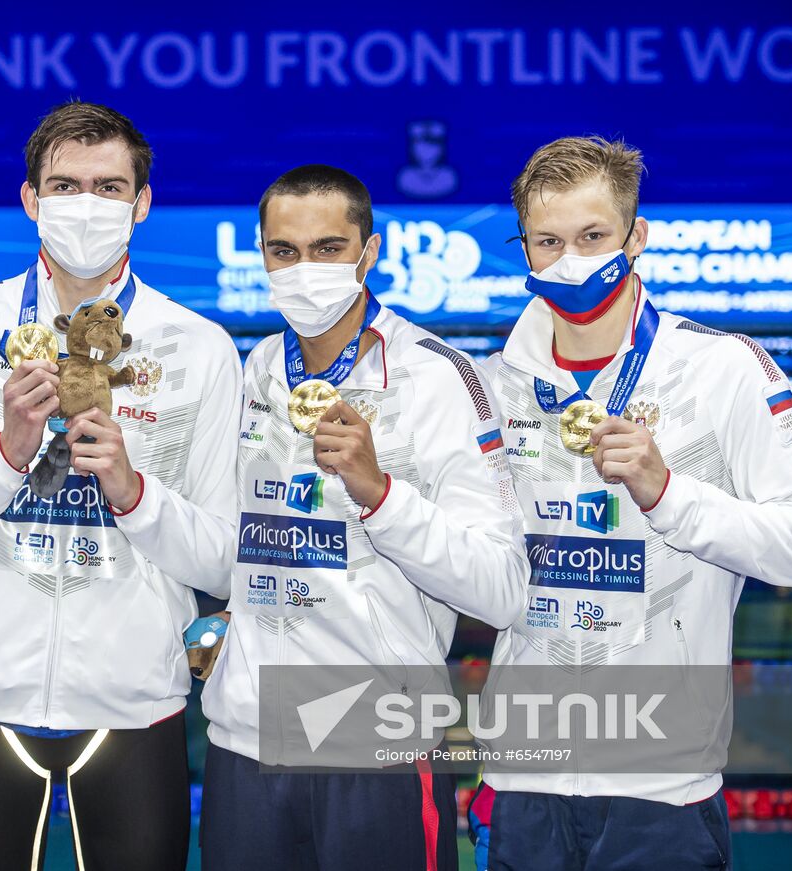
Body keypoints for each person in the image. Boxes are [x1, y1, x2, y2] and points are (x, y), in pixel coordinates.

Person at [0, 100, 241, 871]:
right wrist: (1, 457)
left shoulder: (200, 350)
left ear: (142, 204)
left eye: (108, 188)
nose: (86, 206)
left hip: (135, 707)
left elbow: (228, 562)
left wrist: (136, 494)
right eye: (65, 186)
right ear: (31, 200)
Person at [472, 136, 792, 870]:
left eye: (593, 237)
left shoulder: (722, 369)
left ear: (636, 237)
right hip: (524, 780)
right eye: (549, 241)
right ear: (524, 247)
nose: (571, 260)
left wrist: (668, 492)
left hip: (661, 789)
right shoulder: (493, 386)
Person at [199, 164, 529, 871]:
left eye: (327, 248)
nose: (304, 269)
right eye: (283, 251)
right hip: (244, 746)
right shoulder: (257, 369)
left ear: (368, 252)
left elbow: (501, 589)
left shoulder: (436, 376)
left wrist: (381, 495)